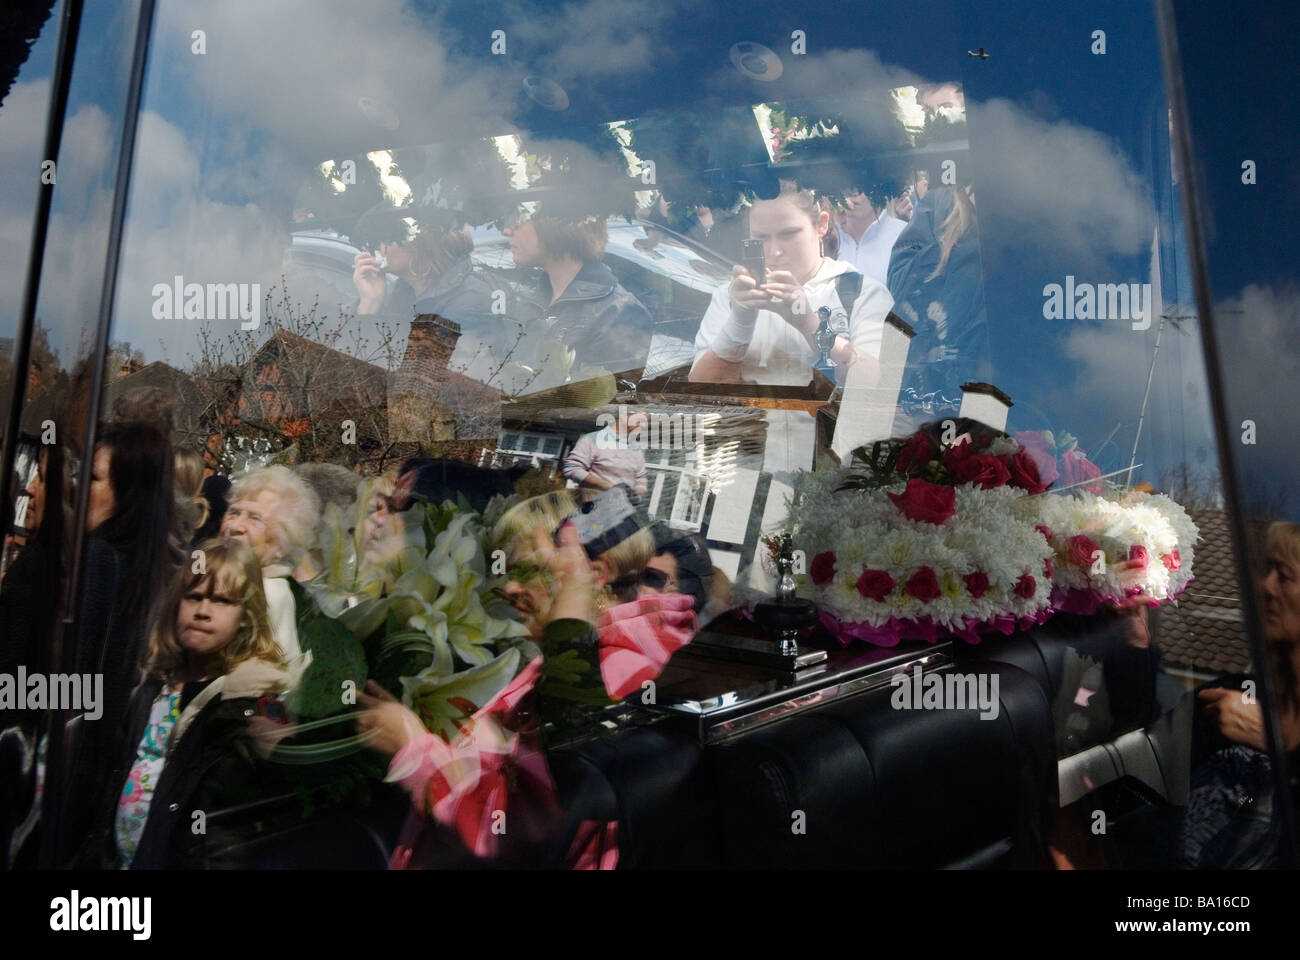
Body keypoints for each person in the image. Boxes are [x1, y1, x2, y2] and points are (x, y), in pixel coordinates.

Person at [79, 539, 290, 869]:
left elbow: (232, 829)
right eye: (193, 597)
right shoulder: (154, 683)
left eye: (221, 600)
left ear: (247, 617)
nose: (202, 611)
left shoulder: (248, 704)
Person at [690, 182, 894, 471]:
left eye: (788, 234)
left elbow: (878, 384)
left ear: (821, 225)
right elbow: (700, 394)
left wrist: (809, 322)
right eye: (760, 238)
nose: (774, 251)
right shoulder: (730, 295)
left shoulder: (859, 292)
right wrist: (740, 321)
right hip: (749, 476)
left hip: (835, 478)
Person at [60, 421, 176, 862]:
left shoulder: (97, 566)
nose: (78, 487)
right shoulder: (155, 574)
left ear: (129, 494)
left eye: (92, 478)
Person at [503, 210, 652, 384]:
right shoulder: (529, 299)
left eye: (520, 222)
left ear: (556, 226)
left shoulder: (620, 312)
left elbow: (605, 401)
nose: (508, 231)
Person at [887, 184, 991, 431]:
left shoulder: (1024, 213)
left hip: (992, 387)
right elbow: (898, 283)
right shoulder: (942, 202)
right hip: (930, 390)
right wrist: (952, 246)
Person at [220, 465, 321, 665]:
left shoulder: (268, 595)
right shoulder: (217, 578)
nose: (234, 526)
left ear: (283, 541)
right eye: (233, 512)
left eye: (254, 518)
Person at [563, 410, 649, 499]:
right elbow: (572, 469)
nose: (643, 426)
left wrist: (637, 494)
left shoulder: (636, 449)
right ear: (624, 416)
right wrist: (610, 487)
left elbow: (641, 477)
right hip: (593, 505)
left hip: (622, 508)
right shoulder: (592, 440)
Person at [836, 184, 910, 285]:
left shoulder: (903, 235)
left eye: (864, 182)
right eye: (846, 183)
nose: (855, 193)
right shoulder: (825, 235)